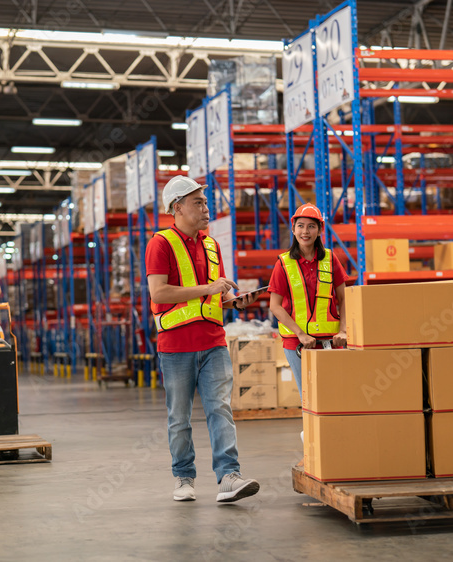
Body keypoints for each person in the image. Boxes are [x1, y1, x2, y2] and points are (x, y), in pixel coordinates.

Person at [146, 175, 260, 503]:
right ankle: (184, 477)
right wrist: (207, 290)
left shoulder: (211, 245)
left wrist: (232, 301)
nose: (206, 208)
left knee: (220, 408)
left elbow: (213, 296)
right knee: (179, 416)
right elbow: (159, 292)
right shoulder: (160, 244)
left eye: (205, 202)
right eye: (198, 202)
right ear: (177, 208)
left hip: (213, 340)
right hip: (176, 346)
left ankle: (229, 477)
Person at [268, 203, 349, 399]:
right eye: (301, 225)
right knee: (310, 398)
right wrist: (301, 334)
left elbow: (344, 298)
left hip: (331, 341)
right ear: (293, 228)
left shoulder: (330, 259)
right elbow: (275, 306)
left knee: (335, 395)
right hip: (298, 343)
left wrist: (344, 330)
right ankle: (311, 431)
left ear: (320, 230)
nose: (305, 231)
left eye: (311, 226)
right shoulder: (283, 263)